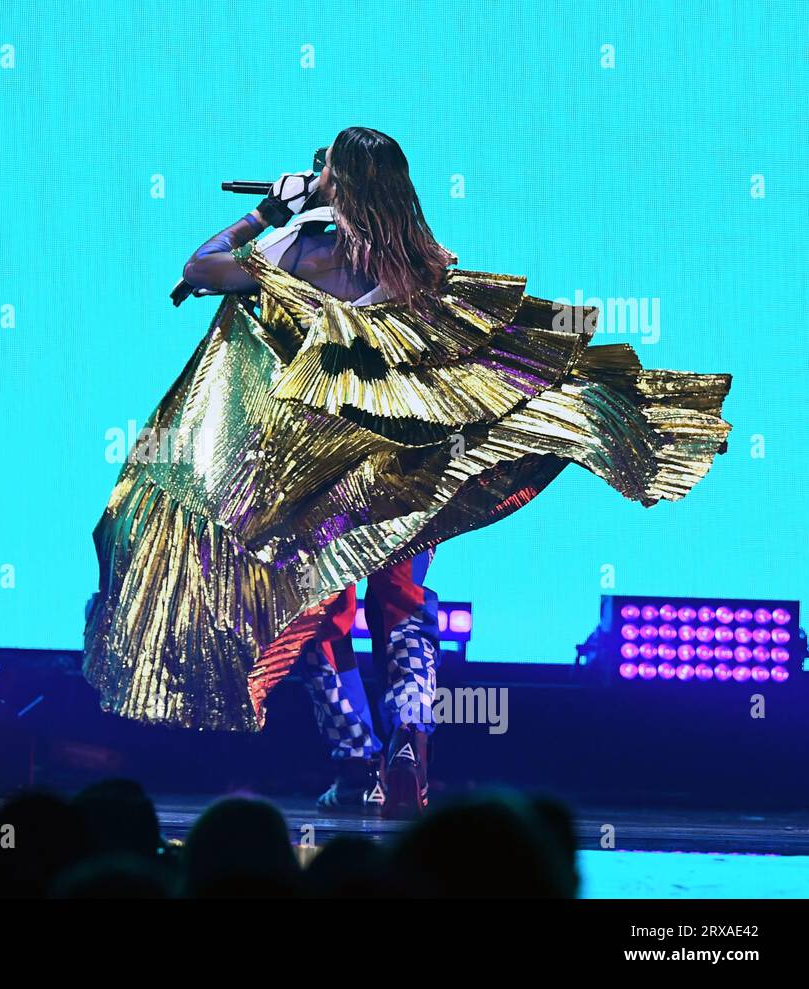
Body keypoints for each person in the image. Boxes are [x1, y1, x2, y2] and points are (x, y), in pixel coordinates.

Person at [82, 127, 732, 816]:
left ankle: (357, 760)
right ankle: (409, 747)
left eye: (324, 167)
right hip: (407, 472)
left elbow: (200, 267)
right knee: (403, 603)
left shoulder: (306, 251)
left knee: (322, 610)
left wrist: (269, 212)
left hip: (319, 475)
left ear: (338, 185)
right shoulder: (431, 267)